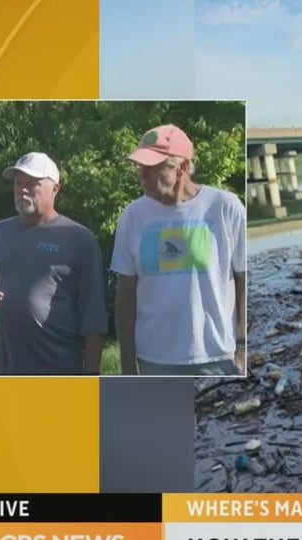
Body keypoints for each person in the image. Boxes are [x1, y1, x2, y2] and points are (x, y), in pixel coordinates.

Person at [111, 124, 247, 376]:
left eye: (152, 167)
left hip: (217, 357)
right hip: (154, 361)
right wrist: (128, 365)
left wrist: (243, 345)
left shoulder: (225, 208)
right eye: (140, 166)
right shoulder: (132, 216)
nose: (142, 174)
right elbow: (125, 294)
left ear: (182, 167)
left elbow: (244, 281)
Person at [0, 152, 108, 375]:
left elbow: (93, 314)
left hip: (59, 373)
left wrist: (91, 375)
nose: (23, 189)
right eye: (18, 183)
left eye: (32, 183)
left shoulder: (78, 238)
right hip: (4, 373)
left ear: (55, 189)